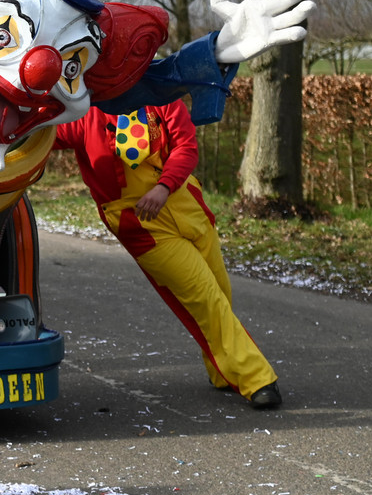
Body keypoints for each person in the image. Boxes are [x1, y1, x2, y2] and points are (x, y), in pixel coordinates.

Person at [52, 100, 282, 410]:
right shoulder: (82, 113)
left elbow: (185, 147)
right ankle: (257, 379)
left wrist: (164, 186)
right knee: (205, 297)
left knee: (220, 291)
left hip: (186, 204)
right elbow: (39, 136)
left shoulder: (163, 97)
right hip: (141, 224)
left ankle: (222, 371)